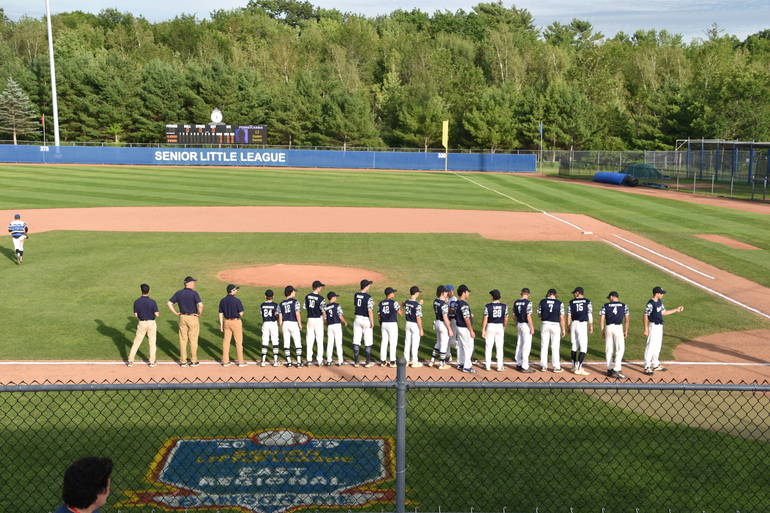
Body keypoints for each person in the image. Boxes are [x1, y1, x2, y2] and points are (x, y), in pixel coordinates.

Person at [643, 286, 684, 375]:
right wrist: (646, 329)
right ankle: (647, 366)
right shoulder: (650, 303)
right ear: (657, 294)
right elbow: (645, 315)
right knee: (650, 345)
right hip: (653, 326)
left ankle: (655, 364)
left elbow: (663, 312)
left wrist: (676, 310)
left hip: (659, 327)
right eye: (661, 293)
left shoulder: (659, 302)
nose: (662, 295)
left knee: (657, 345)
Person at [167, 276, 203, 367]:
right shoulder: (194, 293)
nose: (194, 284)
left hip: (182, 318)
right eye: (193, 282)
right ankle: (193, 361)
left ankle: (183, 361)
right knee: (193, 340)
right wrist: (199, 313)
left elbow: (169, 303)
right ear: (189, 283)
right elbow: (200, 305)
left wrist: (175, 313)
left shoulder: (179, 293)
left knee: (183, 340)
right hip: (192, 318)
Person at [127, 283, 159, 367]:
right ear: (149, 291)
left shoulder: (137, 302)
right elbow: (157, 314)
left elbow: (136, 315)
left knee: (136, 342)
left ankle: (130, 361)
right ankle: (152, 362)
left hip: (141, 323)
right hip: (151, 323)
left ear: (141, 291)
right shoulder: (152, 302)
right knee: (152, 342)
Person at [600, 291, 630, 379]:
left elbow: (601, 318)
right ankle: (616, 369)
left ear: (613, 297)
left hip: (608, 327)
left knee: (609, 349)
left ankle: (609, 369)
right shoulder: (624, 306)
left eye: (609, 297)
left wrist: (602, 330)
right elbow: (627, 319)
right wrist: (626, 330)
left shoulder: (605, 306)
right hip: (618, 328)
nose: (609, 299)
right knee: (620, 348)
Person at [538, 288, 565, 373]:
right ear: (555, 294)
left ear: (548, 294)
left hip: (545, 324)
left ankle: (543, 366)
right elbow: (562, 317)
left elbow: (539, 314)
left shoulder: (542, 302)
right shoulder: (559, 303)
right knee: (555, 347)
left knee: (544, 346)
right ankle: (556, 367)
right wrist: (563, 329)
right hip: (555, 325)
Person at [218, 284, 246, 367]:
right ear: (232, 291)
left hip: (226, 322)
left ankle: (225, 361)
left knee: (226, 342)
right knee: (238, 342)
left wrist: (221, 325)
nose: (237, 290)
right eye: (235, 289)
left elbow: (220, 313)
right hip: (236, 322)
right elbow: (241, 313)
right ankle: (240, 362)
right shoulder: (237, 301)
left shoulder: (222, 300)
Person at [568, 286, 593, 376]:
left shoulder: (571, 302)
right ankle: (579, 368)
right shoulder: (587, 301)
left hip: (574, 324)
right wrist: (591, 325)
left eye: (575, 292)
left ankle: (574, 366)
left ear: (578, 292)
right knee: (583, 347)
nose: (574, 294)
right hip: (582, 325)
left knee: (574, 345)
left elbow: (569, 315)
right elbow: (589, 313)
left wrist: (568, 325)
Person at [482, 289, 508, 371]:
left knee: (488, 347)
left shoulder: (488, 306)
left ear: (492, 297)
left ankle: (487, 366)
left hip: (490, 326)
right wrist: (504, 327)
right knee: (499, 347)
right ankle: (500, 367)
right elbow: (506, 318)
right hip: (499, 326)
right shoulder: (504, 306)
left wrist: (483, 329)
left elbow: (485, 319)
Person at [429, 285, 453, 369]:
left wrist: (445, 302)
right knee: (444, 343)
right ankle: (442, 363)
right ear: (442, 293)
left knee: (438, 342)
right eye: (446, 292)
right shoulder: (444, 304)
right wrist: (449, 329)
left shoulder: (435, 301)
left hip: (437, 323)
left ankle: (432, 360)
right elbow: (445, 317)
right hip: (443, 324)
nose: (447, 293)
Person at [352, 279, 375, 368]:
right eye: (368, 285)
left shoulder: (356, 295)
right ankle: (367, 362)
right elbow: (370, 310)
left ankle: (356, 362)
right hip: (366, 320)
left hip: (357, 319)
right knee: (368, 340)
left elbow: (358, 304)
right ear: (366, 286)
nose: (369, 286)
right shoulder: (369, 297)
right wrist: (372, 322)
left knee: (356, 340)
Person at [512, 288, 536, 373]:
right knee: (526, 345)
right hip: (526, 325)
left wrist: (516, 323)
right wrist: (532, 327)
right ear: (528, 294)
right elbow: (528, 316)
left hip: (519, 324)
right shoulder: (528, 303)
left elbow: (514, 315)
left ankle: (518, 363)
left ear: (521, 293)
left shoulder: (516, 302)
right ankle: (525, 366)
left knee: (519, 344)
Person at [279, 285, 303, 367]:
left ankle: (289, 362)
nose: (295, 292)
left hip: (285, 324)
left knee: (286, 343)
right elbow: (297, 313)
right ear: (291, 292)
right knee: (297, 343)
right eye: (294, 291)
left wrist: (281, 325)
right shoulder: (295, 302)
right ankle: (299, 362)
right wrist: (300, 323)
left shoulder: (281, 303)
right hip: (293, 323)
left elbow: (280, 316)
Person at [378, 287, 402, 367]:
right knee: (393, 343)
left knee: (384, 342)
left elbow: (378, 316)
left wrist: (381, 324)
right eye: (393, 292)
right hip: (392, 324)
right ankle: (392, 361)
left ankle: (383, 361)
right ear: (390, 294)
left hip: (384, 324)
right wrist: (402, 305)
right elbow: (400, 313)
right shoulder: (394, 302)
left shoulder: (380, 303)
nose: (394, 294)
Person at [454, 284, 476, 373]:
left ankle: (461, 364)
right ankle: (467, 367)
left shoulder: (456, 303)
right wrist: (471, 330)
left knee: (461, 346)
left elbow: (453, 313)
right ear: (464, 292)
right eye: (467, 292)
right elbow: (466, 318)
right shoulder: (464, 304)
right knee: (469, 347)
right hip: (464, 328)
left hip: (458, 326)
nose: (468, 294)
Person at [304, 280, 326, 366]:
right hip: (318, 320)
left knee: (309, 340)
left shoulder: (307, 296)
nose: (321, 288)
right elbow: (323, 311)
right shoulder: (321, 299)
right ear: (317, 287)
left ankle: (309, 360)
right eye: (320, 287)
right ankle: (319, 361)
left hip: (310, 319)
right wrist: (325, 319)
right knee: (319, 340)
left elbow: (305, 307)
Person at [324, 291, 348, 366]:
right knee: (338, 343)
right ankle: (340, 361)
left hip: (330, 326)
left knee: (330, 343)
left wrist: (326, 324)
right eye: (335, 297)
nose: (336, 298)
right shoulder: (337, 305)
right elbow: (340, 316)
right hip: (337, 325)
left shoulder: (326, 307)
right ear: (333, 298)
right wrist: (345, 322)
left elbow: (324, 318)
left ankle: (329, 360)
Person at [403, 286, 424, 368]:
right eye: (418, 292)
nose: (419, 293)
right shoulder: (417, 305)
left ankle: (406, 360)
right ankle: (414, 361)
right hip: (415, 325)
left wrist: (419, 304)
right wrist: (421, 329)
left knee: (407, 342)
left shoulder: (407, 302)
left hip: (407, 324)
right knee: (415, 344)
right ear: (416, 293)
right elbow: (418, 318)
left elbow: (407, 304)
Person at [259, 289, 281, 367]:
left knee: (265, 341)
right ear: (273, 296)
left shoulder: (262, 305)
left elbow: (261, 314)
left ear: (265, 296)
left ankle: (263, 361)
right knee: (275, 342)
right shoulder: (276, 305)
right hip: (273, 324)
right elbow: (278, 315)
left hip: (265, 323)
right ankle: (275, 361)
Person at [445, 285, 459, 362]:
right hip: (448, 321)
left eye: (446, 291)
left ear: (450, 291)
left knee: (452, 341)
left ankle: (462, 347)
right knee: (447, 339)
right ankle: (448, 355)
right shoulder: (448, 299)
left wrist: (446, 304)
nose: (445, 293)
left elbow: (452, 311)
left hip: (453, 321)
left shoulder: (453, 299)